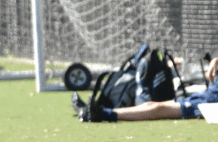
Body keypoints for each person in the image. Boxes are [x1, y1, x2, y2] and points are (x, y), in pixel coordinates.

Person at [73, 56, 218, 122]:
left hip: (211, 104)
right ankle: (94, 111)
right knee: (152, 105)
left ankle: (102, 114)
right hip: (205, 97)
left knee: (157, 109)